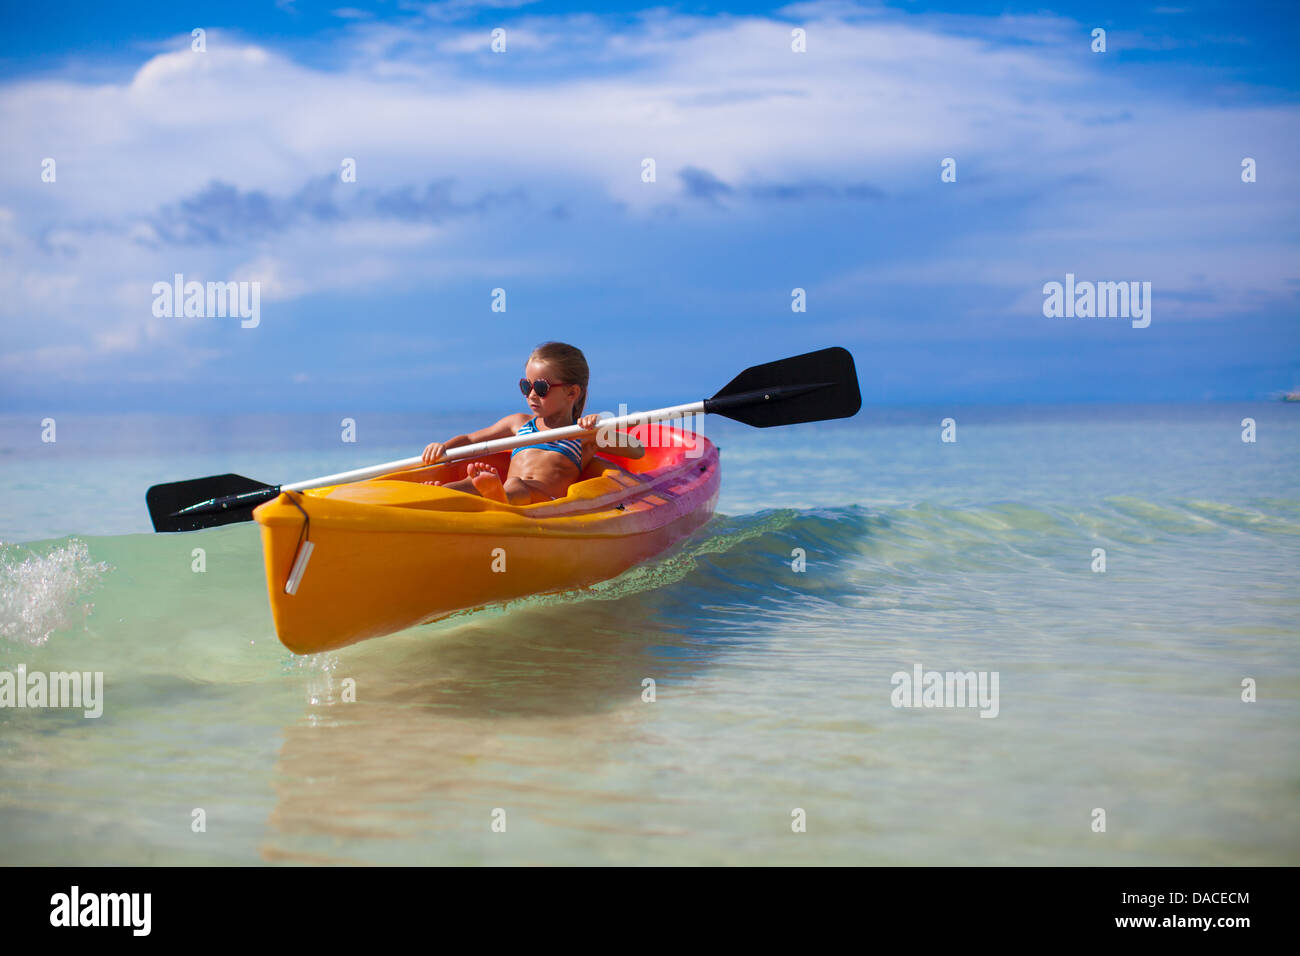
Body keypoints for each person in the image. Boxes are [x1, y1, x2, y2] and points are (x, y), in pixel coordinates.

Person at [421, 342, 640, 505]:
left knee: (516, 484)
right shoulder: (519, 423)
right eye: (527, 386)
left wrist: (597, 433)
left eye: (542, 388)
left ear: (572, 392)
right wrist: (443, 447)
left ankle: (499, 498)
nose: (532, 395)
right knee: (470, 483)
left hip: (544, 502)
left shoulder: (580, 435)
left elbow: (636, 450)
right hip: (506, 488)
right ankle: (439, 497)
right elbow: (471, 440)